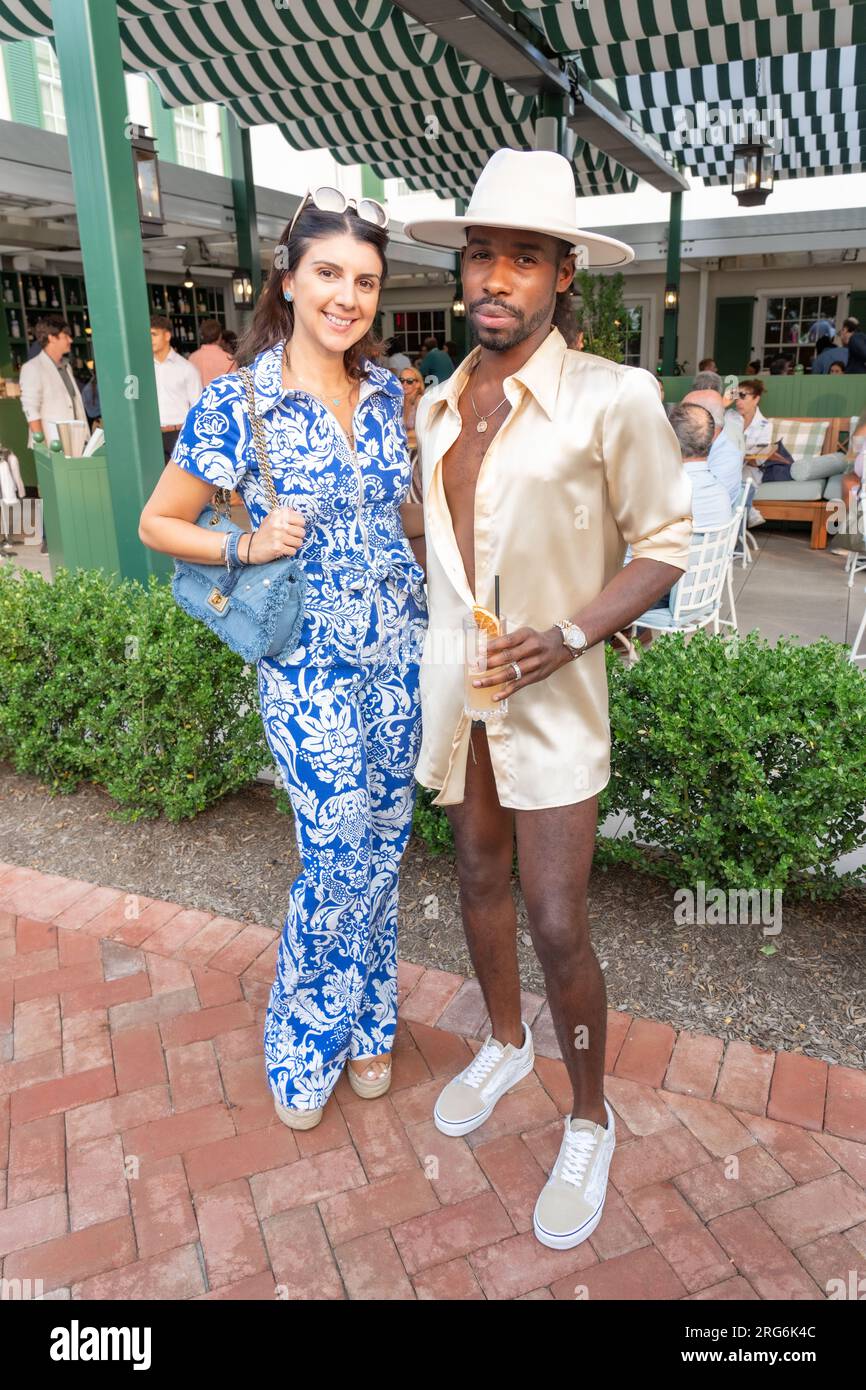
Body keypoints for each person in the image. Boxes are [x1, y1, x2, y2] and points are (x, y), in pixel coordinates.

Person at [403, 148, 691, 1251]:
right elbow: (439, 543)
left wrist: (571, 633)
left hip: (556, 690)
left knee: (556, 913)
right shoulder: (435, 406)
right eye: (482, 254)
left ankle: (588, 1114)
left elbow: (664, 541)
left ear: (561, 274)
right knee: (475, 871)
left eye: (523, 258)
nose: (495, 277)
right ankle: (505, 1043)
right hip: (459, 685)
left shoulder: (612, 396)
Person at [139, 187, 427, 1130]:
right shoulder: (239, 400)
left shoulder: (389, 395)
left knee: (383, 850)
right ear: (290, 278)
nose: (348, 297)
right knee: (335, 853)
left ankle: (372, 1017)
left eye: (366, 282)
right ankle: (307, 1037)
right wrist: (246, 545)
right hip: (308, 668)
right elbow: (159, 522)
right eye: (330, 275)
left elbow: (408, 519)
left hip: (402, 657)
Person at [18, 315, 89, 446]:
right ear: (51, 338)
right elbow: (31, 409)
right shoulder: (32, 367)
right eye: (65, 336)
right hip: (53, 445)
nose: (70, 340)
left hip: (77, 442)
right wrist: (42, 445)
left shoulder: (66, 367)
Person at [150, 314, 203, 464]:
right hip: (152, 435)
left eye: (154, 334)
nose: (150, 339)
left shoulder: (186, 368)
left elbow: (197, 407)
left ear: (167, 336)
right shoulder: (144, 369)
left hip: (178, 433)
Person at [682, 387, 742, 508]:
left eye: (684, 414)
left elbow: (705, 504)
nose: (678, 420)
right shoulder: (704, 445)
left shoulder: (727, 456)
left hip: (702, 522)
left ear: (703, 418)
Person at [189, 318, 235, 386]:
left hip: (198, 396)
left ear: (202, 336)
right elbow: (233, 388)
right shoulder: (229, 359)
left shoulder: (192, 358)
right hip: (220, 396)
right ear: (220, 336)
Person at [0, 441, 25, 555]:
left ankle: (7, 540)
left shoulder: (9, 457)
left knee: (6, 516)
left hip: (6, 492)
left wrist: (21, 493)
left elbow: (16, 475)